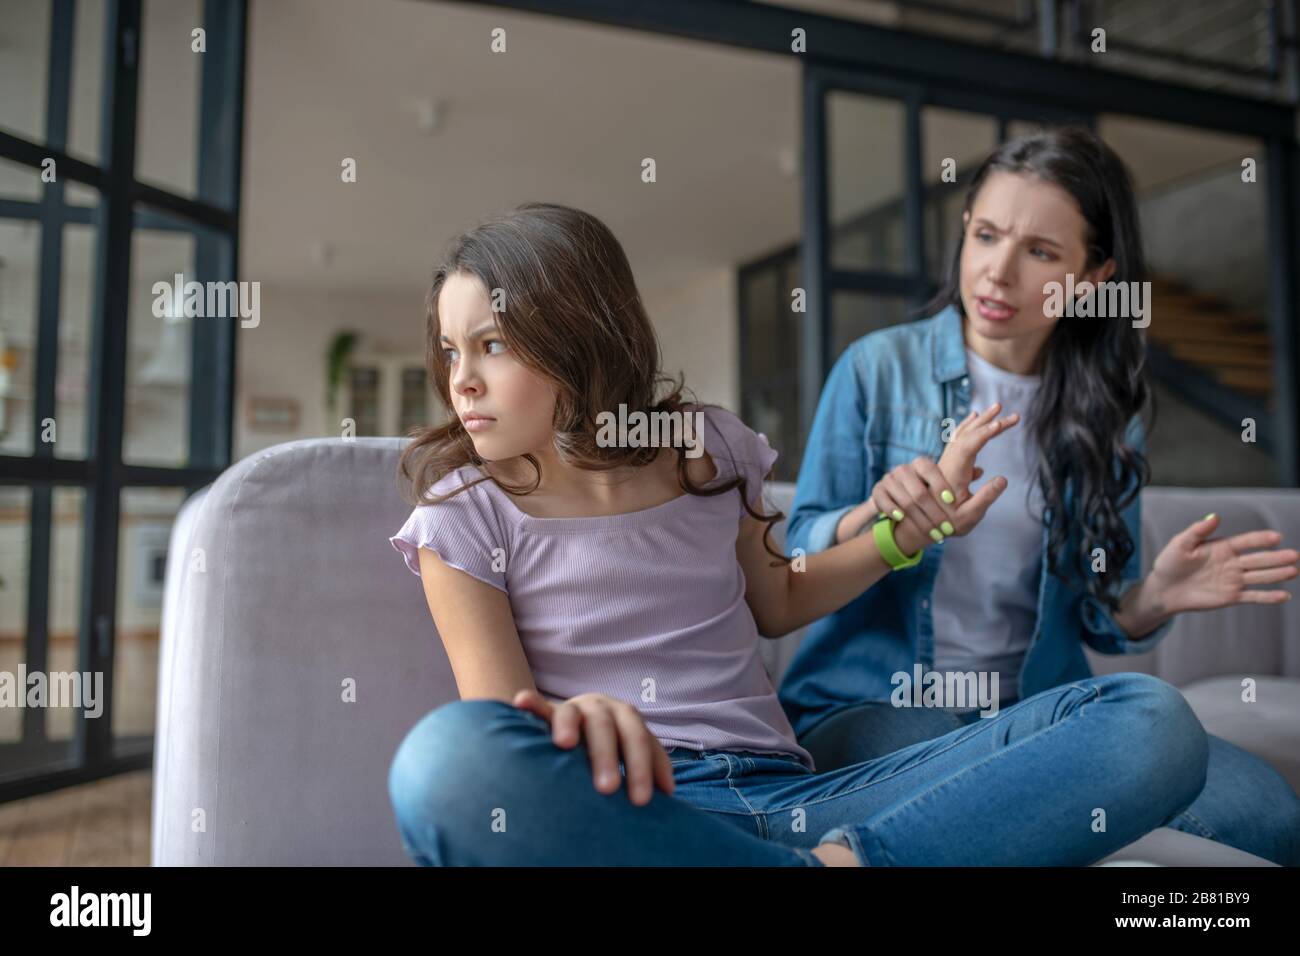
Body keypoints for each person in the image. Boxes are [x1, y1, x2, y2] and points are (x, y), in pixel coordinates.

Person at [384, 200, 1209, 866]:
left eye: (491, 345)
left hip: (801, 799)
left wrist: (900, 536)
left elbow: (779, 597)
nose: (461, 379)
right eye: (451, 350)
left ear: (576, 333)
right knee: (447, 761)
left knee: (1148, 719)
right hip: (645, 807)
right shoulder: (462, 514)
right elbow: (502, 725)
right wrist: (577, 721)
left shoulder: (707, 451)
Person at [780, 127, 1300, 866]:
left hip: (1034, 710)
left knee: (1266, 813)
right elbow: (792, 556)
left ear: (1091, 277)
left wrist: (1150, 597)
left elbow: (1097, 608)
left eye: (1042, 252)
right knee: (958, 767)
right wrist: (872, 518)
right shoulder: (875, 369)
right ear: (964, 231)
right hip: (875, 703)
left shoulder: (1103, 414)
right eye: (987, 235)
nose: (997, 272)